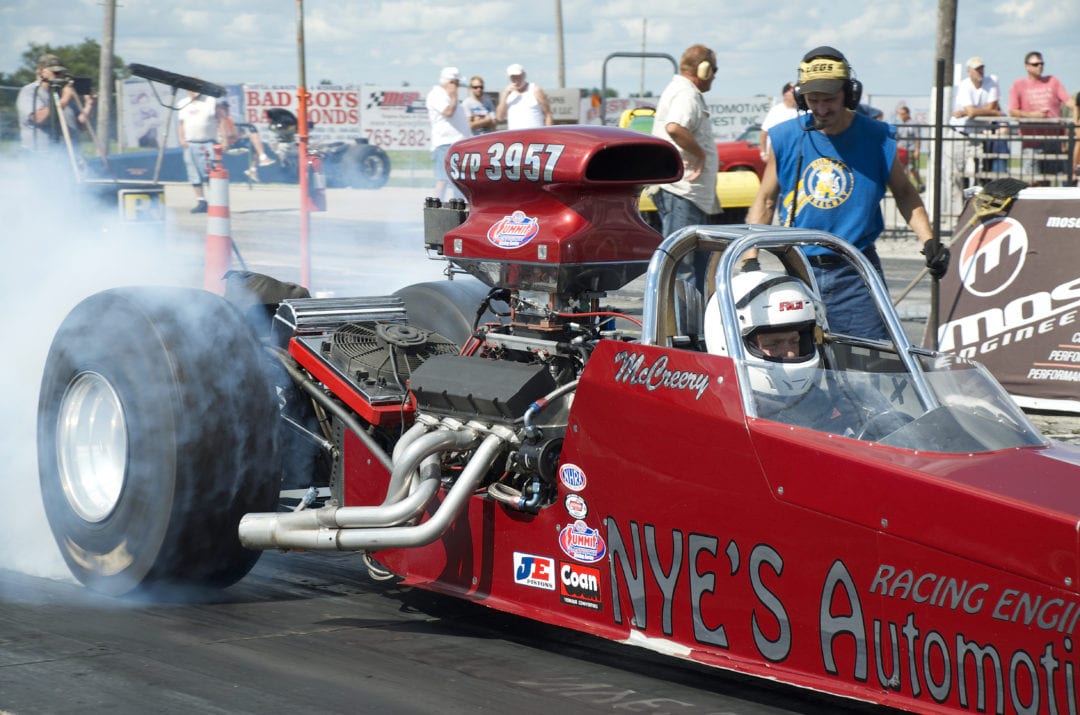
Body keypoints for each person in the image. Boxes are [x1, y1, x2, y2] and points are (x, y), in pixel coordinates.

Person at [746, 46, 946, 340]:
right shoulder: (785, 137)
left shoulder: (877, 137)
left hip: (856, 273)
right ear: (801, 98)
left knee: (871, 358)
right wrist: (750, 259)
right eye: (813, 100)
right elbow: (765, 200)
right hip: (799, 269)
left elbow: (905, 193)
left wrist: (928, 241)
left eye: (830, 99)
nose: (821, 108)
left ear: (849, 95)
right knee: (800, 356)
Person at [703, 270, 899, 438]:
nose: (789, 352)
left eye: (795, 341)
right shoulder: (722, 411)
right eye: (773, 344)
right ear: (727, 343)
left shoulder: (820, 399)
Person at [650, 44, 722, 239]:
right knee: (682, 256)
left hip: (687, 193)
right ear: (704, 70)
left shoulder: (685, 91)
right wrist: (701, 154)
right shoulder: (686, 94)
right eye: (714, 70)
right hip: (682, 192)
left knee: (692, 255)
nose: (714, 76)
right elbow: (674, 127)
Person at [1008, 51, 1071, 181]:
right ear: (1027, 66)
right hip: (1031, 141)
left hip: (1053, 140)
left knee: (1053, 178)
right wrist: (1033, 115)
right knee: (1034, 180)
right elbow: (1013, 111)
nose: (1040, 66)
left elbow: (1069, 102)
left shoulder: (1053, 81)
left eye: (1042, 63)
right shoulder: (1018, 85)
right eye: (1035, 64)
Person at [16, 53, 93, 158]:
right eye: (56, 73)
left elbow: (81, 125)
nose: (60, 76)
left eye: (62, 73)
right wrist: (64, 99)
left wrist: (89, 104)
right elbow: (39, 118)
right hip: (41, 157)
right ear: (42, 70)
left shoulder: (62, 93)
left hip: (68, 156)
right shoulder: (30, 91)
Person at [950, 56, 1007, 177]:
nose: (980, 71)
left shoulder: (992, 81)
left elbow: (990, 108)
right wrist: (993, 112)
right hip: (960, 134)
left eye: (981, 68)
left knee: (977, 173)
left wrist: (967, 112)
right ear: (969, 71)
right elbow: (973, 113)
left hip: (978, 135)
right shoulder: (964, 85)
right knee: (957, 173)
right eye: (976, 69)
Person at [426, 66, 471, 201]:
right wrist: (453, 96)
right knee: (443, 180)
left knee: (459, 181)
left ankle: (458, 208)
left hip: (457, 144)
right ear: (451, 82)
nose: (457, 87)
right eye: (456, 83)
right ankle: (436, 209)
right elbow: (448, 112)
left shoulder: (448, 96)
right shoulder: (436, 94)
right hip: (445, 145)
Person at [178, 89, 218, 213]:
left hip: (208, 142)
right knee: (193, 173)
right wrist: (181, 139)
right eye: (191, 89)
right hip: (190, 143)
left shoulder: (210, 101)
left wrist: (224, 139)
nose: (194, 91)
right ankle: (201, 201)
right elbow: (181, 124)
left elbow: (220, 119)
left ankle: (216, 201)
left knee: (212, 171)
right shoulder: (182, 103)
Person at [216, 101, 275, 182]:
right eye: (224, 108)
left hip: (235, 142)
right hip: (227, 145)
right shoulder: (217, 121)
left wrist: (241, 135)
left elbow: (233, 134)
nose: (226, 110)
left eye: (227, 108)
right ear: (218, 110)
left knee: (257, 144)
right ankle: (262, 159)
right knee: (253, 137)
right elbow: (226, 135)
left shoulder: (229, 120)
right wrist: (240, 135)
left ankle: (253, 169)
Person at [496, 64, 553, 130]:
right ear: (510, 78)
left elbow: (548, 114)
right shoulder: (507, 93)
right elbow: (500, 118)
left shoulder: (535, 90)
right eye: (513, 77)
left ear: (524, 75)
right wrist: (505, 95)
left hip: (535, 134)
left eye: (518, 76)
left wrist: (548, 132)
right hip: (515, 134)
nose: (516, 80)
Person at [759, 81, 798, 162]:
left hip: (795, 155)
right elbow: (764, 133)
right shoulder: (776, 111)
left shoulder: (802, 111)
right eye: (792, 92)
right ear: (785, 94)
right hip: (777, 155)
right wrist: (763, 153)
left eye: (796, 92)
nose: (795, 95)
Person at [894, 103, 924, 192]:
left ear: (907, 114)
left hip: (911, 149)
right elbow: (897, 137)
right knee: (901, 168)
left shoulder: (914, 123)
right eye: (900, 114)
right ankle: (904, 187)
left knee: (911, 168)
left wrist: (917, 150)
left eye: (903, 114)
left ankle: (920, 184)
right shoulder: (899, 123)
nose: (901, 116)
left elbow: (917, 137)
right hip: (901, 149)